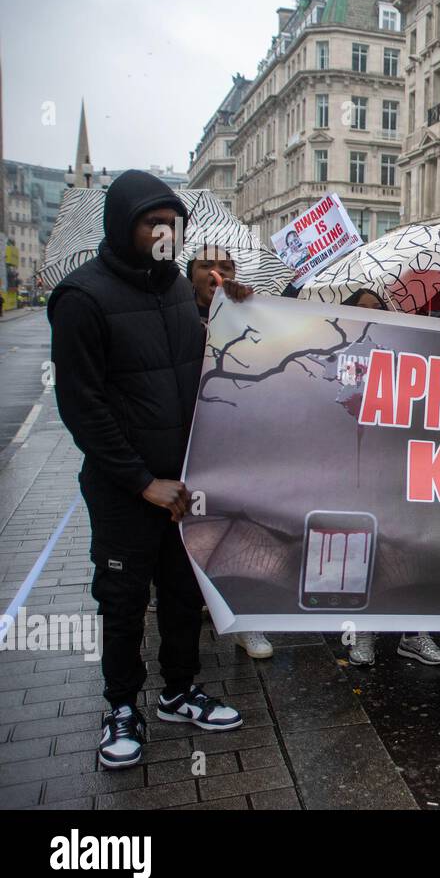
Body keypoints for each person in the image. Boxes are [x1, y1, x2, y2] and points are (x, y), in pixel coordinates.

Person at [48, 170, 248, 769]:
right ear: (122, 225)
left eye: (172, 225)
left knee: (185, 594)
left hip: (187, 484)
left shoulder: (179, 293)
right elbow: (82, 407)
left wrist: (236, 312)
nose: (165, 234)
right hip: (126, 491)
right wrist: (142, 482)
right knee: (124, 599)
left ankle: (179, 691)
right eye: (151, 223)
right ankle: (121, 707)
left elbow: (212, 370)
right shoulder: (82, 299)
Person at [331, 286, 440, 668]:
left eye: (379, 309)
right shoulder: (345, 355)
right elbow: (342, 403)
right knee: (368, 545)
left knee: (409, 546)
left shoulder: (404, 349)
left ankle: (413, 632)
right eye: (365, 310)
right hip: (362, 462)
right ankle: (363, 632)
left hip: (404, 465)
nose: (373, 315)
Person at [186, 245, 276, 662]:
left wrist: (251, 312)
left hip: (234, 440)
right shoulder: (172, 313)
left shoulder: (248, 312)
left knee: (237, 527)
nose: (217, 272)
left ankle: (244, 621)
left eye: (226, 266)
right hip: (182, 439)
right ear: (190, 275)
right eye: (207, 265)